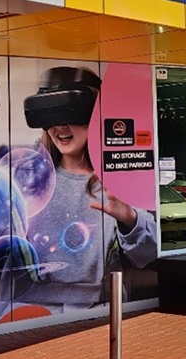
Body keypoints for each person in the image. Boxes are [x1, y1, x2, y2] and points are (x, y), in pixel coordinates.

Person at [21, 66, 157, 312]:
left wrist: (129, 219)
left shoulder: (117, 179)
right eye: (50, 114)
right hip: (32, 307)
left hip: (100, 308)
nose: (60, 126)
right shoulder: (27, 177)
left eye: (71, 111)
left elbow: (149, 253)